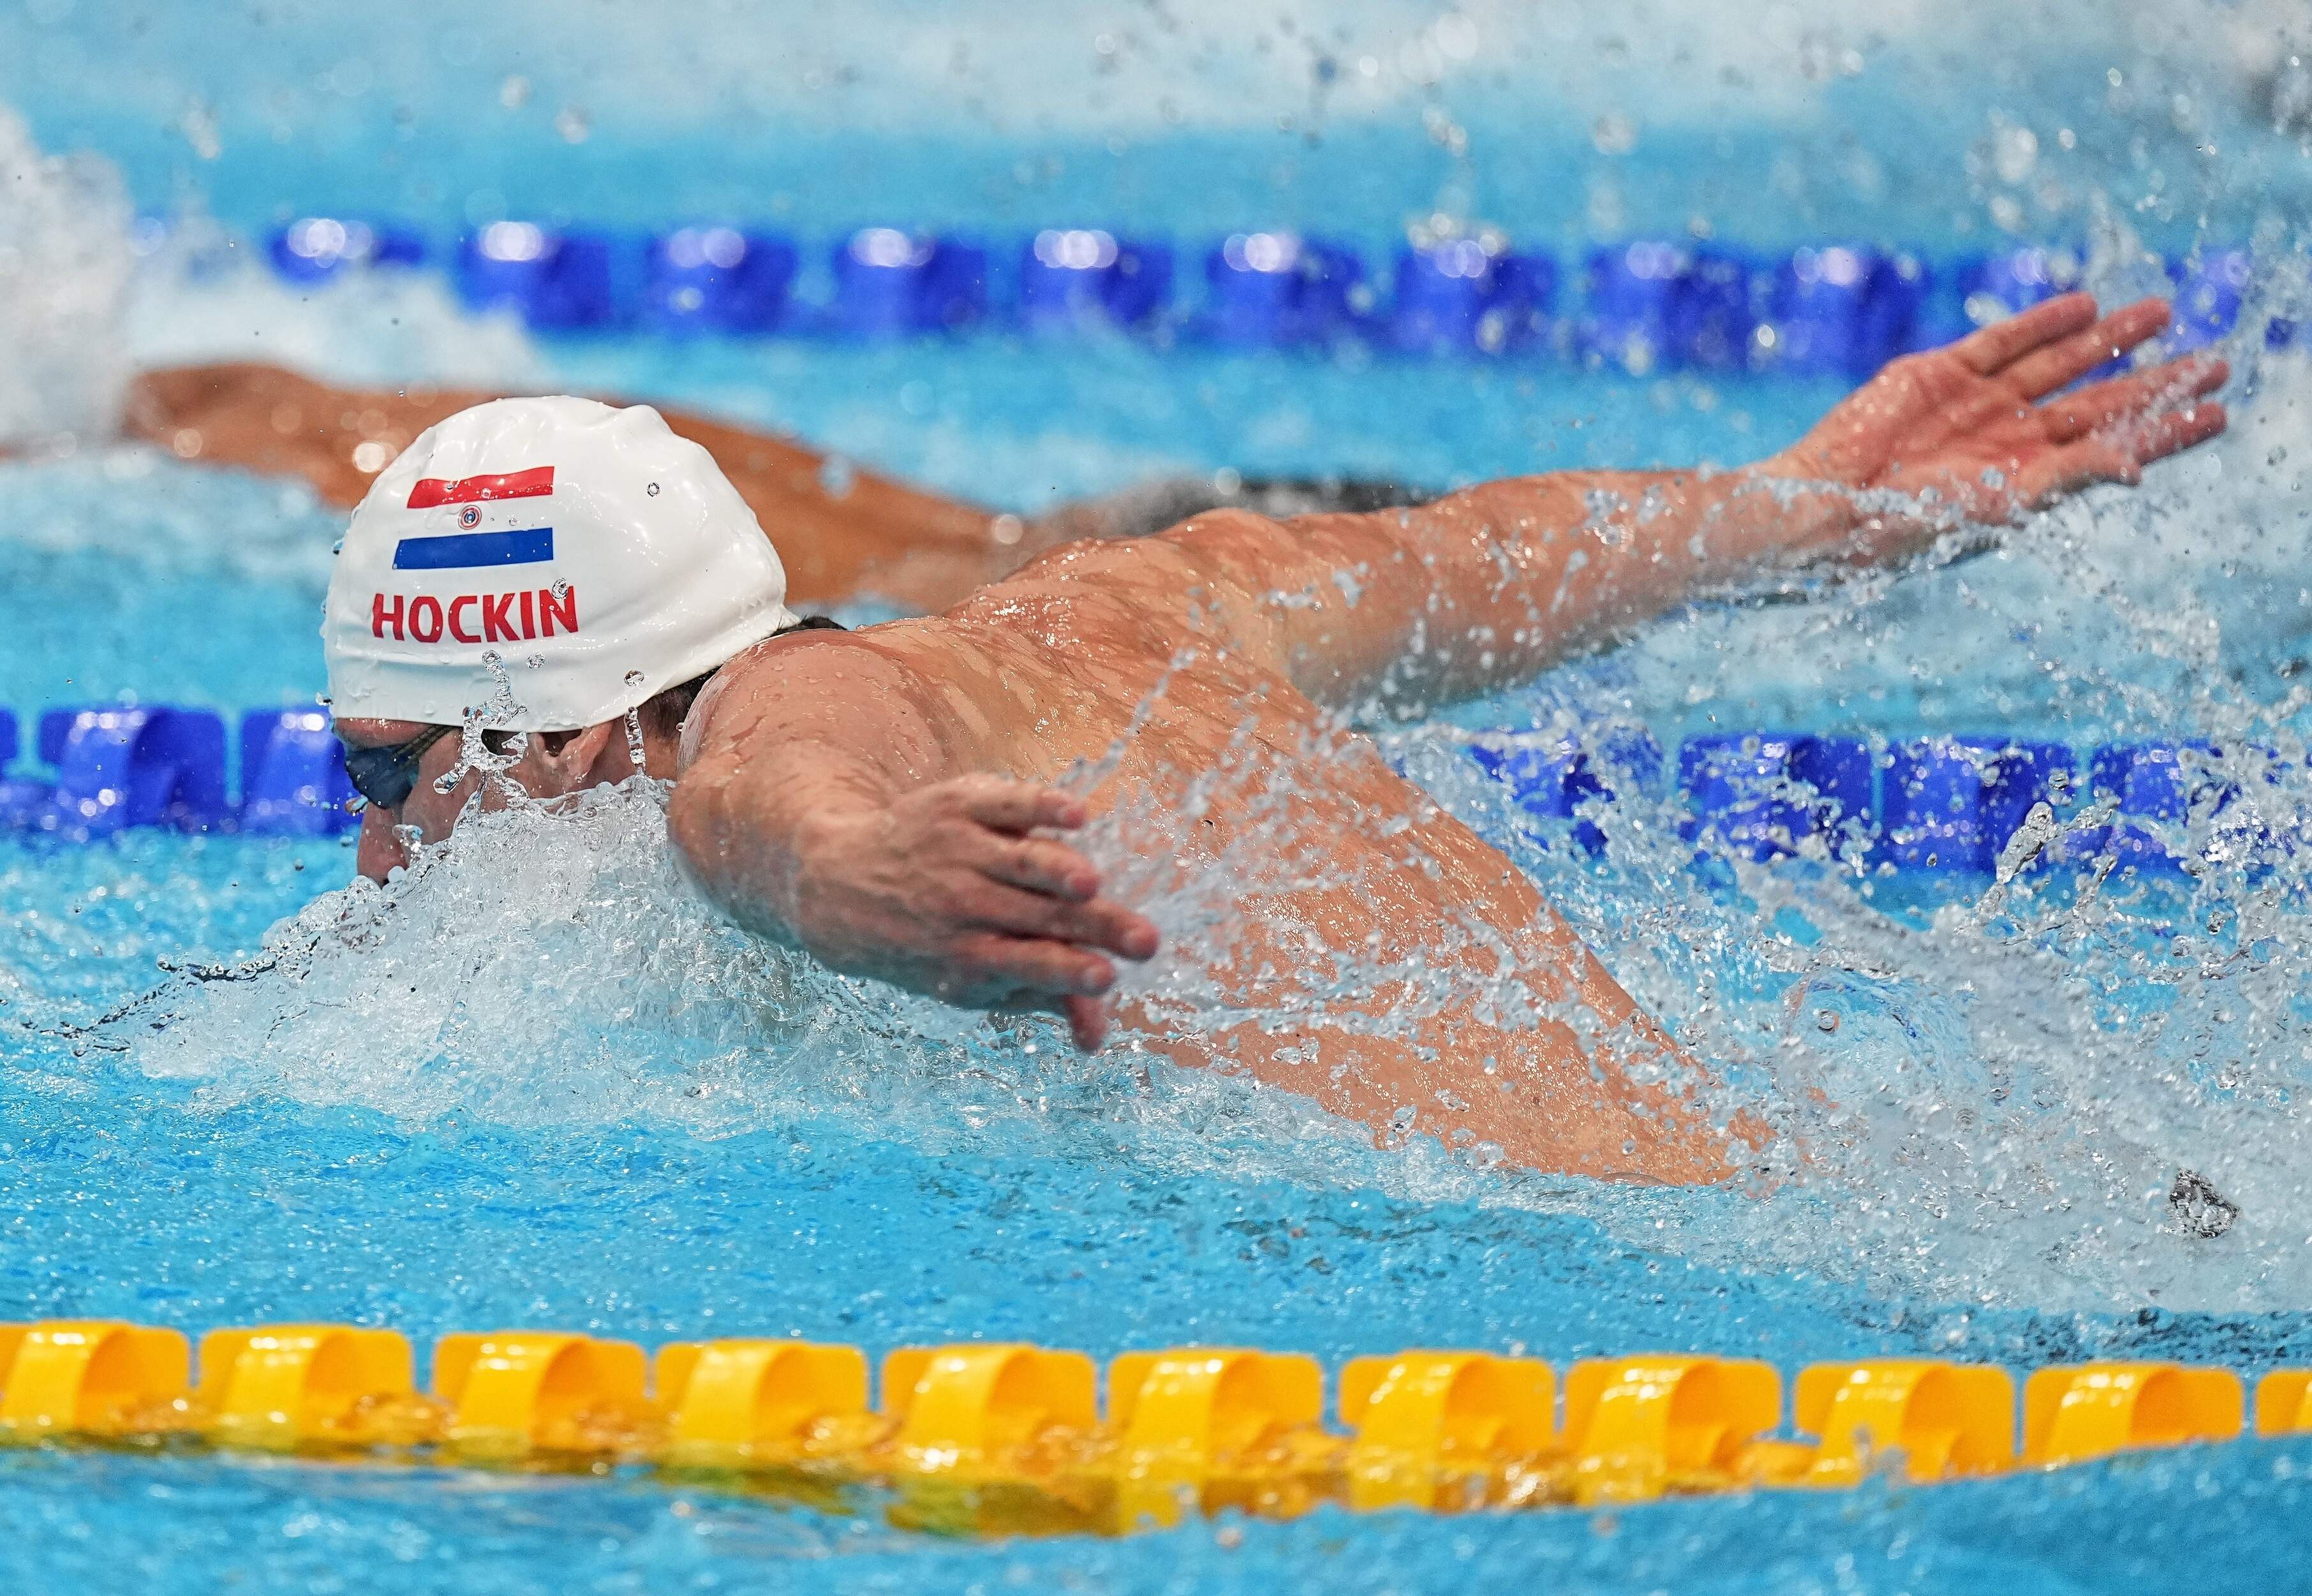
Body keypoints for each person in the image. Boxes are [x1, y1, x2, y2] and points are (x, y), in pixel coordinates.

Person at [316, 293, 2224, 1183]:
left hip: (1716, 1312)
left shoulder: (779, 707)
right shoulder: (1136, 603)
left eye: (387, 775)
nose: (372, 854)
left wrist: (847, 880)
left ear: (561, 741)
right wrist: (1798, 501)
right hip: (1848, 1184)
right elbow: (1466, 560)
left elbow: (764, 783)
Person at [124, 362, 1425, 614]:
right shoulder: (927, 575)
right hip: (381, 443)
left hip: (312, 399)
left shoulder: (923, 511)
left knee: (188, 406)